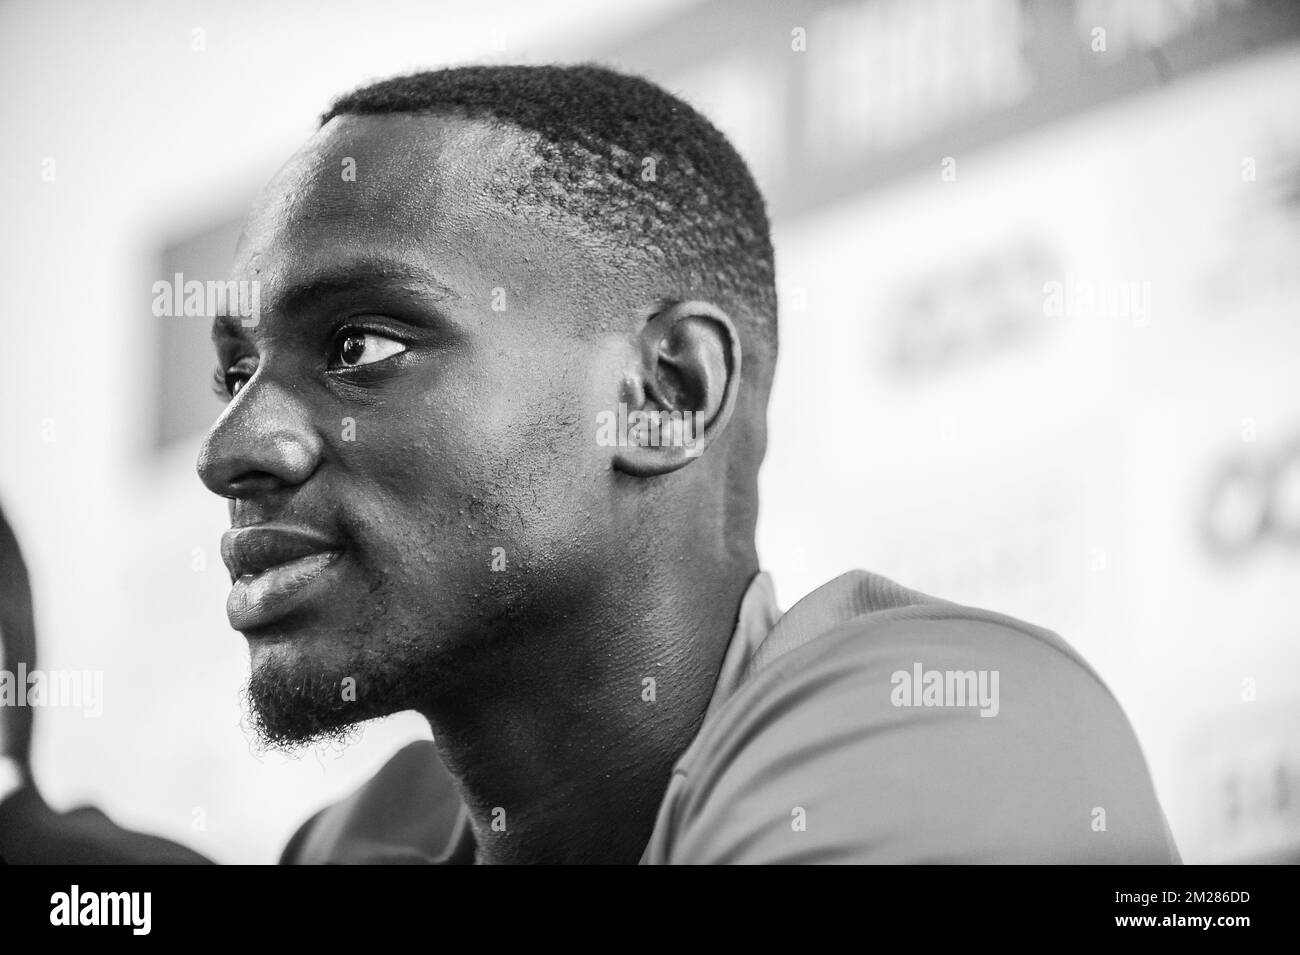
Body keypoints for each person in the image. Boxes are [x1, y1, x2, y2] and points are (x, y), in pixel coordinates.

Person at [3, 64, 1180, 864]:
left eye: (357, 345)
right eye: (234, 372)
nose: (230, 449)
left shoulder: (952, 727)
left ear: (665, 393)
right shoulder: (367, 836)